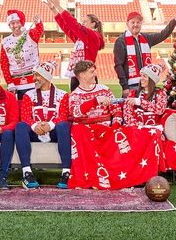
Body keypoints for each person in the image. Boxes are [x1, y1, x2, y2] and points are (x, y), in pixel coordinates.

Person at [63, 60, 168, 190]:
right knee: (79, 131)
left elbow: (116, 109)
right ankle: (93, 178)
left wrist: (116, 123)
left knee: (125, 137)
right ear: (82, 75)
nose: (95, 74)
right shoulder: (75, 95)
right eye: (91, 72)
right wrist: (95, 101)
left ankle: (126, 177)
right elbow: (75, 113)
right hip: (87, 129)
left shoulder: (104, 89)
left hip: (107, 128)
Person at [14, 61, 71, 189]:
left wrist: (50, 125)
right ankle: (27, 172)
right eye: (34, 75)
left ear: (46, 76)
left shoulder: (63, 95)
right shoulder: (29, 95)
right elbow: (25, 115)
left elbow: (63, 115)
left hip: (54, 131)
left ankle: (66, 173)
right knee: (20, 126)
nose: (34, 78)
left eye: (37, 75)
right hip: (35, 131)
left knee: (64, 125)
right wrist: (35, 126)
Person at [45, 0, 105, 90]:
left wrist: (58, 7)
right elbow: (66, 27)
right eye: (82, 21)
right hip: (77, 75)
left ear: (93, 24)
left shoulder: (93, 36)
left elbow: (74, 24)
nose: (82, 23)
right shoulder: (80, 38)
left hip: (87, 75)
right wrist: (53, 10)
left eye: (85, 22)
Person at [113, 10, 176, 95]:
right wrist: (124, 87)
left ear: (141, 24)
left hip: (147, 84)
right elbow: (118, 65)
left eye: (138, 22)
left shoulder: (146, 38)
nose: (135, 25)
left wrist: (174, 21)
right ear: (127, 24)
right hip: (131, 86)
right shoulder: (121, 41)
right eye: (133, 22)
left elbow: (162, 35)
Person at [0, 10, 44, 100]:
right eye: (12, 23)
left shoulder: (30, 34)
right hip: (16, 85)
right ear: (9, 25)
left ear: (22, 23)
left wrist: (38, 22)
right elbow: (4, 64)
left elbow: (39, 30)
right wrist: (9, 83)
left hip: (34, 81)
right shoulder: (5, 42)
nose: (15, 25)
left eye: (17, 22)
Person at [124, 63, 168, 127]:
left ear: (152, 79)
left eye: (144, 76)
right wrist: (136, 126)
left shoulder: (160, 93)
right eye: (141, 76)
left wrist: (140, 101)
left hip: (153, 128)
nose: (141, 78)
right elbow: (127, 112)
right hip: (135, 128)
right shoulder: (133, 93)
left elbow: (160, 110)